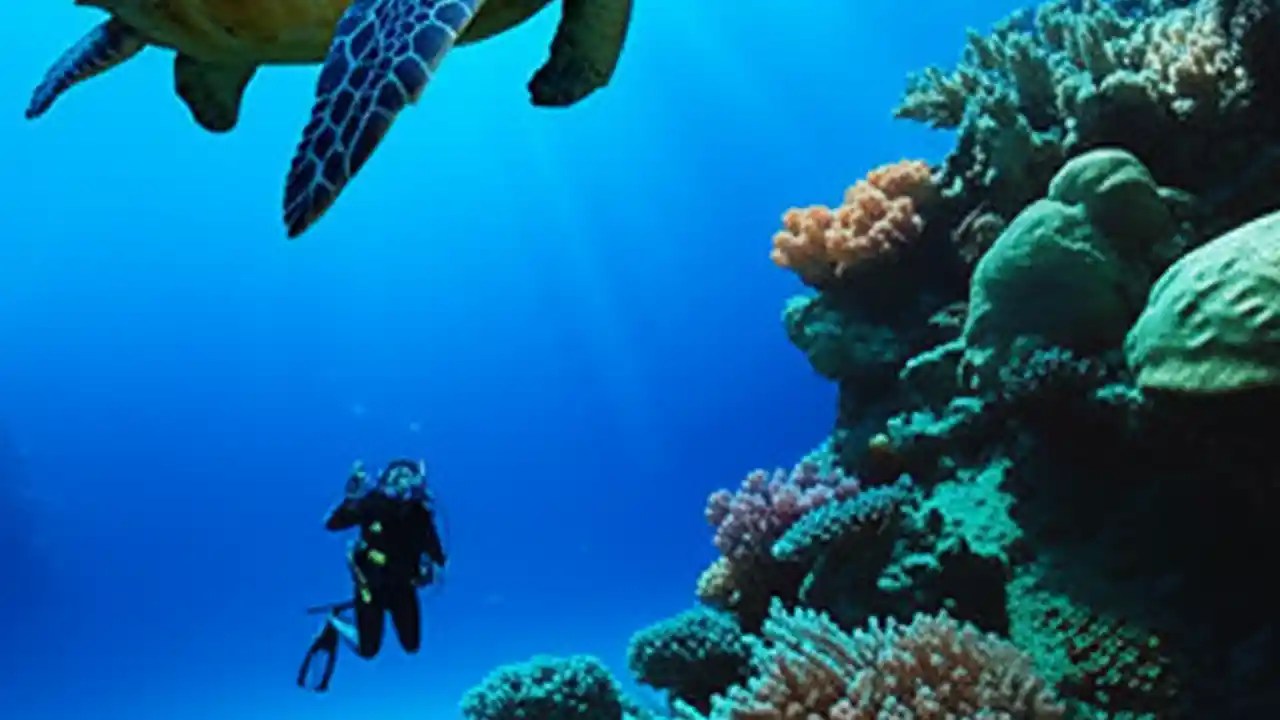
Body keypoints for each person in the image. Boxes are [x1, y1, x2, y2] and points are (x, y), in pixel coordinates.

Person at [297, 458, 447, 691]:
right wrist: (350, 498)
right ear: (383, 480)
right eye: (394, 475)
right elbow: (332, 524)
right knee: (369, 651)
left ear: (418, 481)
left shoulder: (421, 513)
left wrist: (430, 568)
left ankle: (343, 619)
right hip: (370, 588)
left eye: (407, 475)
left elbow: (439, 555)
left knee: (412, 645)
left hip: (403, 587)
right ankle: (335, 622)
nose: (400, 480)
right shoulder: (371, 503)